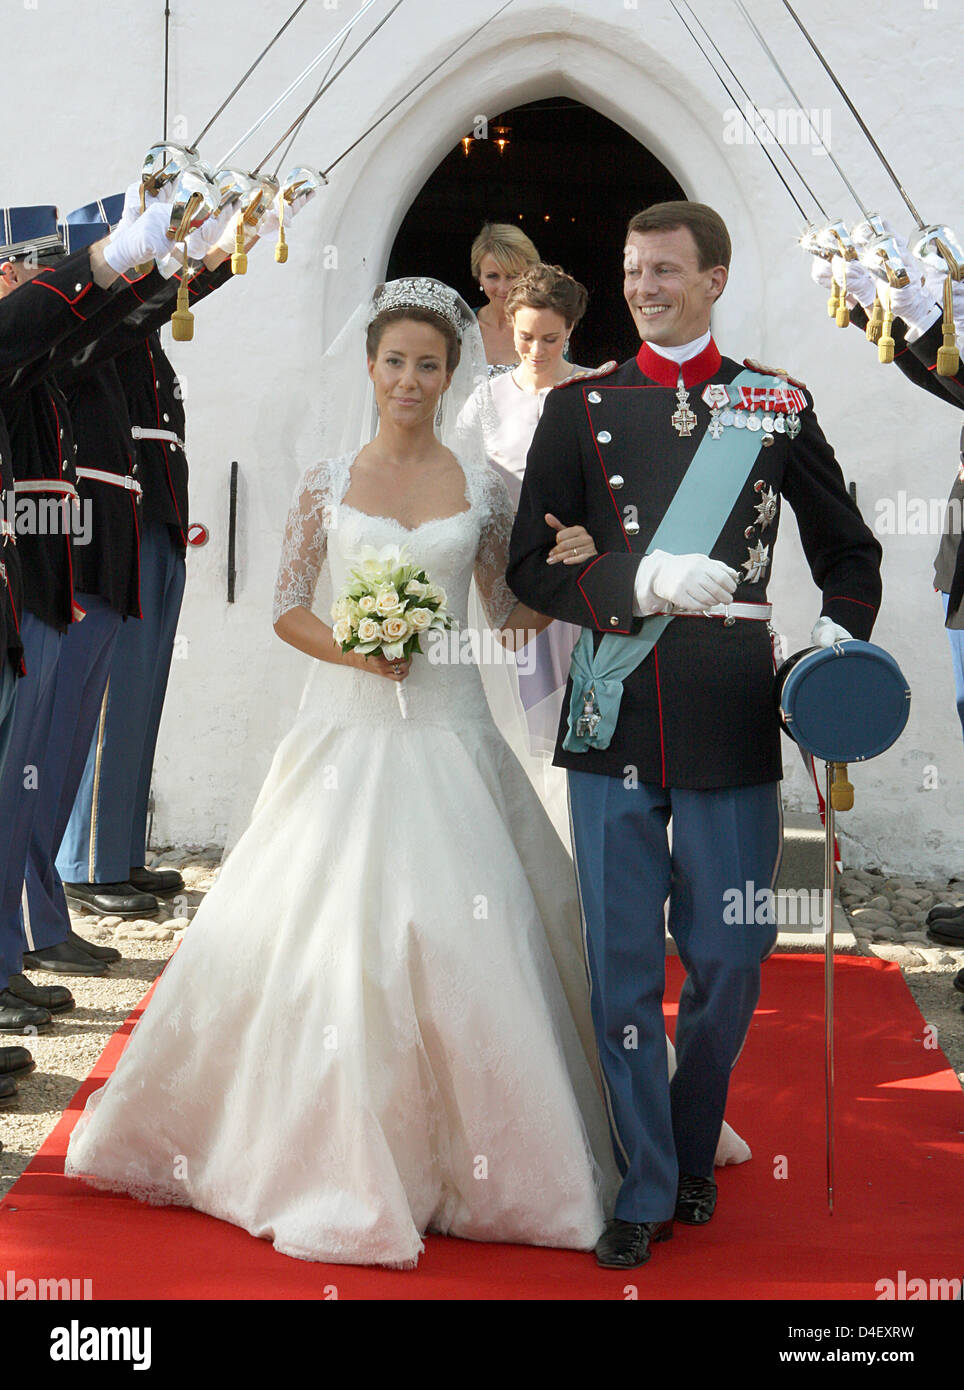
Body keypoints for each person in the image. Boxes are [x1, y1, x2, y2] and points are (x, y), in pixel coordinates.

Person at [64, 277, 621, 1266]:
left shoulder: (484, 490)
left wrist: (575, 560)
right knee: (310, 943)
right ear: (371, 367)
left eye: (430, 364)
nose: (411, 378)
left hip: (450, 737)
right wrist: (354, 651)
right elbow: (286, 604)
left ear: (451, 377)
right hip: (341, 734)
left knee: (460, 937)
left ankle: (472, 1162)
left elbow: (509, 616)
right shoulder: (328, 478)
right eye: (395, 361)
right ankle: (308, 1158)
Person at [508, 201, 883, 1270]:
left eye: (665, 270)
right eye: (632, 270)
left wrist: (828, 648)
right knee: (620, 966)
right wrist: (638, 577)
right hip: (614, 706)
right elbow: (529, 571)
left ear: (714, 278)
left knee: (728, 952)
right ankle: (645, 1179)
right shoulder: (581, 409)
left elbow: (850, 552)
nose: (643, 286)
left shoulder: (769, 403)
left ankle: (682, 1133)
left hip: (727, 707)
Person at [470, 221, 539, 375]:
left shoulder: (546, 328)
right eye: (492, 276)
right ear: (479, 277)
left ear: (531, 274)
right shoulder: (459, 328)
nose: (503, 288)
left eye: (513, 276)